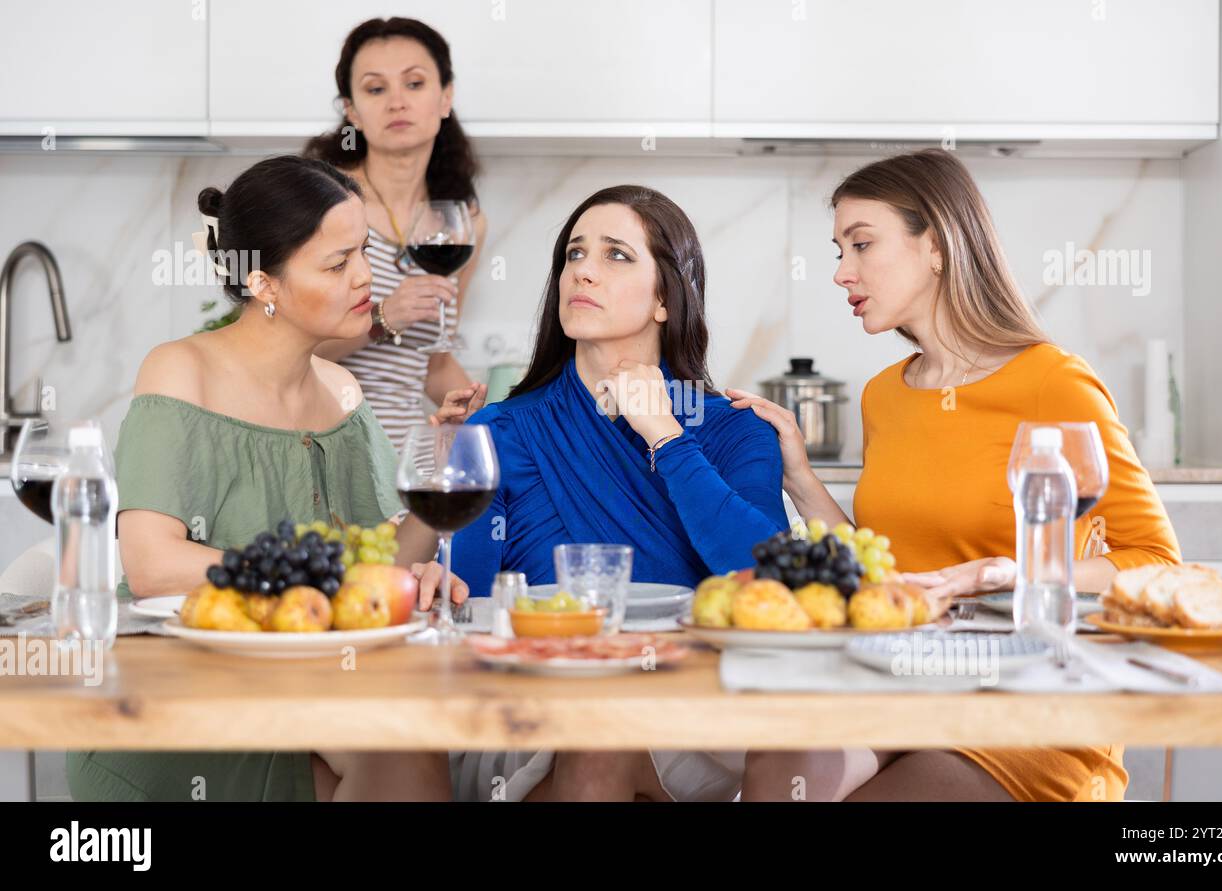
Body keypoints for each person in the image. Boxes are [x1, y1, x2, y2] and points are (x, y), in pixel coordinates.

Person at [727, 149, 1181, 801]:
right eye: (837, 251)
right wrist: (798, 474)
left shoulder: (1055, 382)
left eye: (861, 245)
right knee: (779, 769)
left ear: (935, 245)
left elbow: (1157, 560)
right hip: (899, 677)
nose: (841, 272)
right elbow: (889, 570)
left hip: (1026, 700)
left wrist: (1005, 572)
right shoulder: (885, 394)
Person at [66, 156, 467, 802]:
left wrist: (434, 492)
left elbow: (379, 558)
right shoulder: (180, 371)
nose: (366, 277)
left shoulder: (341, 390)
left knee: (410, 749)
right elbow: (152, 564)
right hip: (181, 698)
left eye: (362, 251)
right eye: (337, 264)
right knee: (402, 760)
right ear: (263, 283)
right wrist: (316, 576)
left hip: (305, 682)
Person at [448, 185, 788, 801]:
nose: (583, 270)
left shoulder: (737, 427)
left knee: (607, 736)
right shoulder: (497, 430)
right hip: (537, 707)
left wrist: (665, 434)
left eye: (616, 256)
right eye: (574, 254)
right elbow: (467, 609)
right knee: (595, 736)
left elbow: (766, 582)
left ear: (665, 298)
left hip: (697, 705)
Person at [305, 17, 490, 449]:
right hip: (323, 451)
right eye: (375, 89)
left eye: (414, 83)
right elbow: (285, 350)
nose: (396, 102)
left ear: (445, 97)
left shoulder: (464, 223)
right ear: (352, 110)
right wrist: (383, 317)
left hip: (406, 462)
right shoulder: (318, 203)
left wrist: (493, 419)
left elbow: (436, 366)